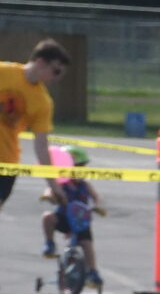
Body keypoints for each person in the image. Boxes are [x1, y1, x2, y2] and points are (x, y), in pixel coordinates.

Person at [1, 40, 69, 223]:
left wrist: (54, 185)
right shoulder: (4, 72)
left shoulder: (43, 102)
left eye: (60, 74)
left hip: (6, 163)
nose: (56, 77)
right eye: (55, 71)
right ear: (40, 62)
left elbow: (41, 146)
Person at [39, 147, 103, 267]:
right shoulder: (60, 184)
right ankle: (49, 243)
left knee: (87, 244)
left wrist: (97, 206)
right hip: (64, 218)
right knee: (47, 217)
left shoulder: (85, 185)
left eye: (82, 167)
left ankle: (92, 272)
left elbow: (96, 197)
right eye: (77, 167)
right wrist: (48, 196)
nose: (80, 171)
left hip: (80, 221)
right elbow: (50, 191)